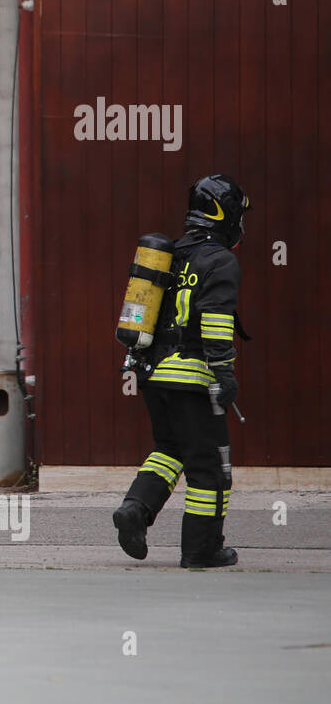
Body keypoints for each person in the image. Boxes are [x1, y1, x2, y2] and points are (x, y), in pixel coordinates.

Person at [113, 174, 249, 569]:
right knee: (209, 467)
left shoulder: (168, 255)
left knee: (169, 450)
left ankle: (135, 510)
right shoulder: (220, 261)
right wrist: (225, 372)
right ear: (224, 214)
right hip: (193, 379)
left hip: (154, 376)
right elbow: (216, 318)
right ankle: (201, 549)